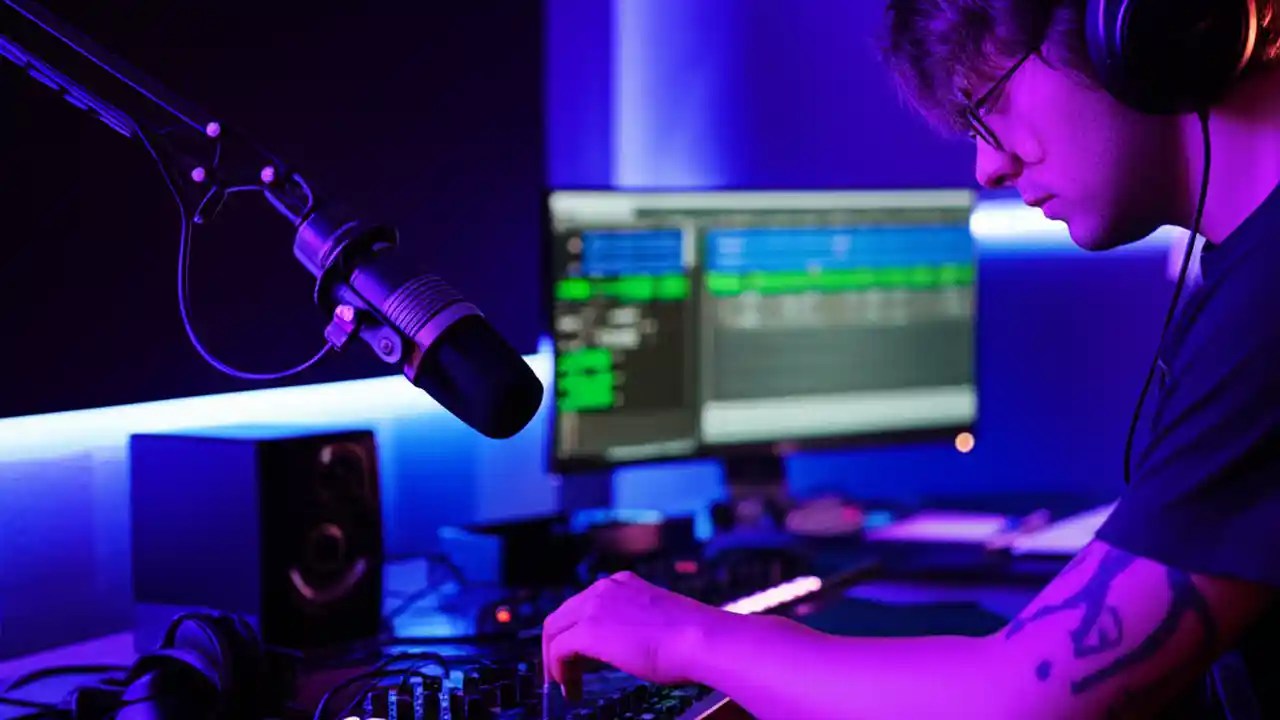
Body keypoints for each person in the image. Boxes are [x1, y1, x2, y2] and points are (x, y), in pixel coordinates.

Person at [542, 2, 1280, 717]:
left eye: (987, 104)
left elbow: (1030, 700)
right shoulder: (1243, 277)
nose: (989, 167)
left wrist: (686, 634)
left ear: (1136, 23)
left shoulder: (1266, 305)